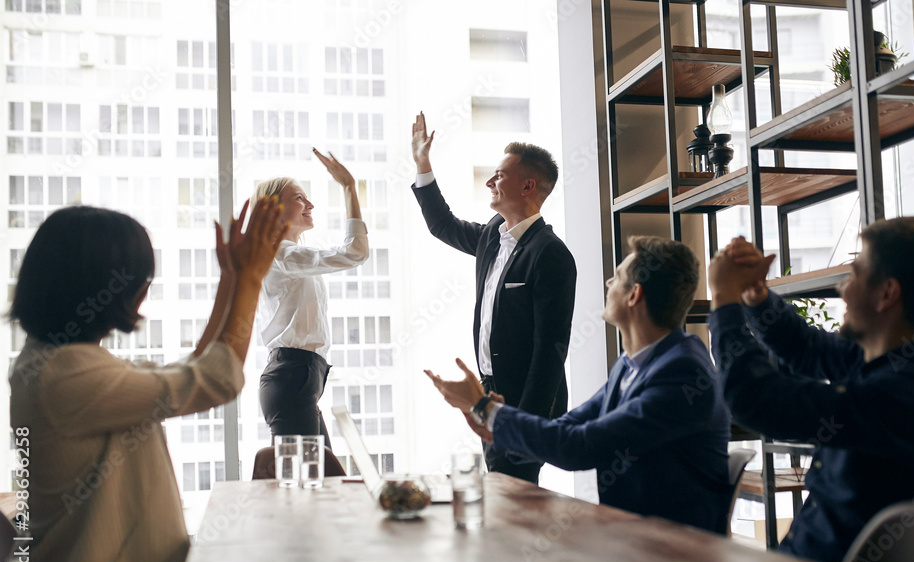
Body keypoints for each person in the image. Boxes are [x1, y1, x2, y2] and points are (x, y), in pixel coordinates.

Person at [8, 200, 287, 562]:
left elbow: (193, 369)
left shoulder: (57, 363)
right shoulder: (65, 374)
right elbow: (216, 379)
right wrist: (253, 280)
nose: (143, 291)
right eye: (141, 280)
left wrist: (232, 279)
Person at [708, 216, 914, 562]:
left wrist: (724, 300)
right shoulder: (902, 358)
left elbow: (757, 400)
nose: (843, 288)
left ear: (887, 294)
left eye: (854, 274)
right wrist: (755, 296)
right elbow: (808, 349)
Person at [425, 237, 733, 532]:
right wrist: (496, 421)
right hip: (630, 538)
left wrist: (486, 408)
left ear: (634, 295)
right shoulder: (632, 363)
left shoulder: (682, 373)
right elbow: (568, 425)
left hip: (676, 551)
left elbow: (581, 447)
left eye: (617, 277)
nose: (608, 283)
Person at [411, 112, 576, 484]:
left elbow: (550, 352)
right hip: (488, 393)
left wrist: (524, 427)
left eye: (499, 175)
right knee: (504, 493)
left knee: (514, 495)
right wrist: (422, 164)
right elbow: (442, 225)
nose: (489, 182)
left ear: (527, 186)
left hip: (525, 403)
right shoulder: (491, 235)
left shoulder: (551, 254)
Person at [251, 149, 370, 479]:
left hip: (300, 380)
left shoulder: (289, 255)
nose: (311, 204)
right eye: (300, 198)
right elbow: (355, 252)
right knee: (309, 487)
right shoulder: (281, 253)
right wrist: (348, 187)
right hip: (292, 377)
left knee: (325, 482)